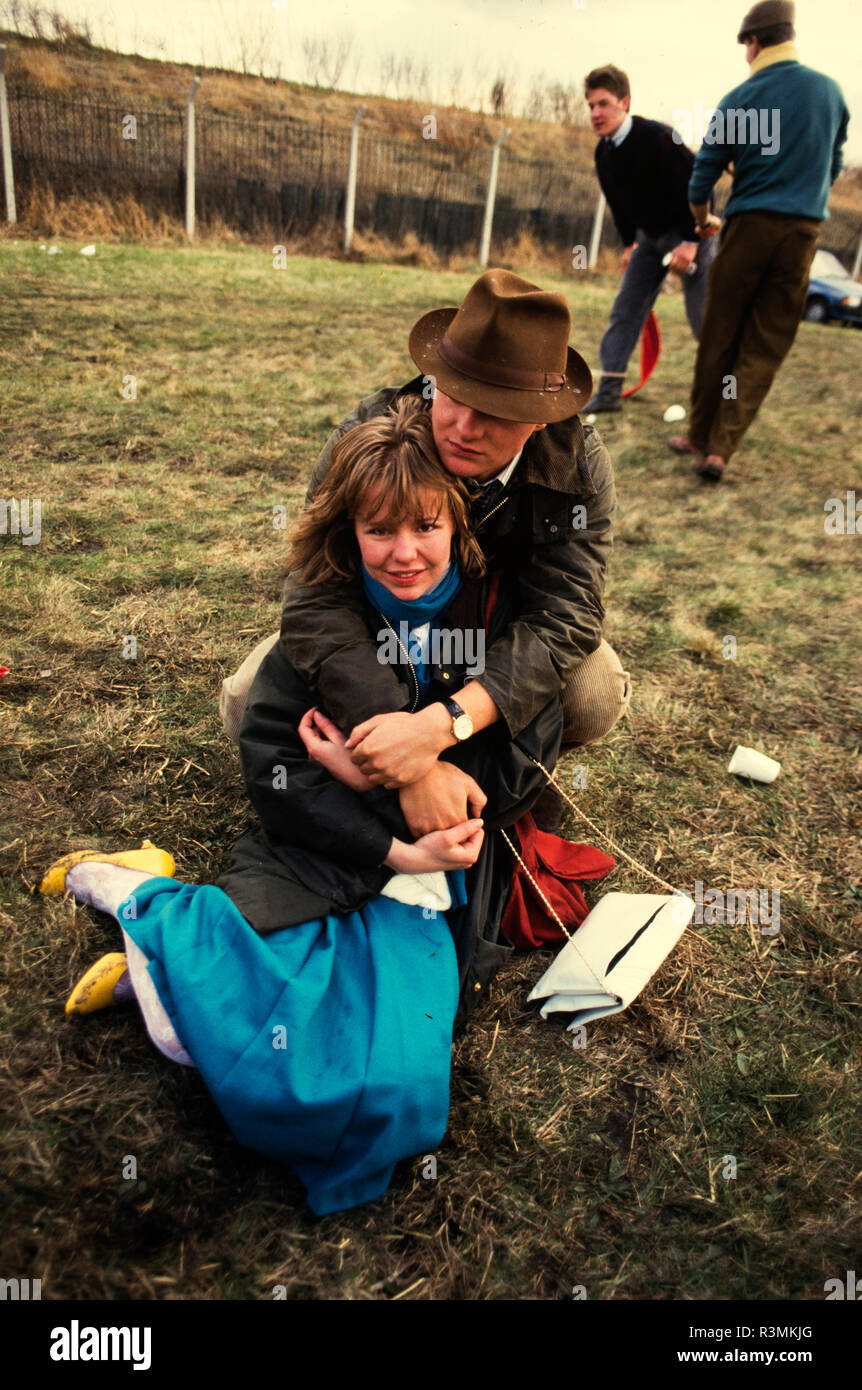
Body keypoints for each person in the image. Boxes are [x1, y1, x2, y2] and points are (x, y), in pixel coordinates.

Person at [39, 399, 569, 1217]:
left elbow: (518, 763)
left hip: (441, 886)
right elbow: (275, 775)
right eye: (379, 531)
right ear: (347, 532)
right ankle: (146, 904)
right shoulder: (327, 621)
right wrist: (391, 841)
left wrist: (389, 774)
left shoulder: (494, 616)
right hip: (333, 859)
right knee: (273, 1053)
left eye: (425, 528)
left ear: (458, 527)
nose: (403, 554)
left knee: (398, 1085)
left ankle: (163, 954)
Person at [220, 269, 632, 835]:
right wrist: (403, 752)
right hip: (379, 633)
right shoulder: (371, 432)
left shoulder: (577, 464)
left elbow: (566, 616)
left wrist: (444, 726)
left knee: (593, 692)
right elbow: (315, 596)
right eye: (455, 396)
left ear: (541, 418)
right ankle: (413, 775)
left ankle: (525, 767)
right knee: (247, 701)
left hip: (493, 642)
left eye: (494, 411)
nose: (463, 427)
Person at [669, 0, 850, 481]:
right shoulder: (830, 94)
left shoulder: (740, 98)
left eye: (745, 46)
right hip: (803, 233)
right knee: (765, 343)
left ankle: (697, 433)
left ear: (753, 42)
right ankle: (720, 449)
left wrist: (704, 219)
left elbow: (701, 177)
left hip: (748, 226)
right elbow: (834, 164)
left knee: (720, 331)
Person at [581, 65, 718, 415]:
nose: (596, 113)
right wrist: (629, 245)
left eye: (603, 103)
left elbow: (700, 185)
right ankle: (609, 391)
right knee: (625, 308)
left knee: (703, 316)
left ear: (624, 102)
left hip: (692, 234)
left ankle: (720, 396)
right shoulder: (604, 153)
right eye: (591, 105)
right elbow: (620, 206)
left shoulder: (657, 138)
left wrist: (691, 240)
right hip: (649, 238)